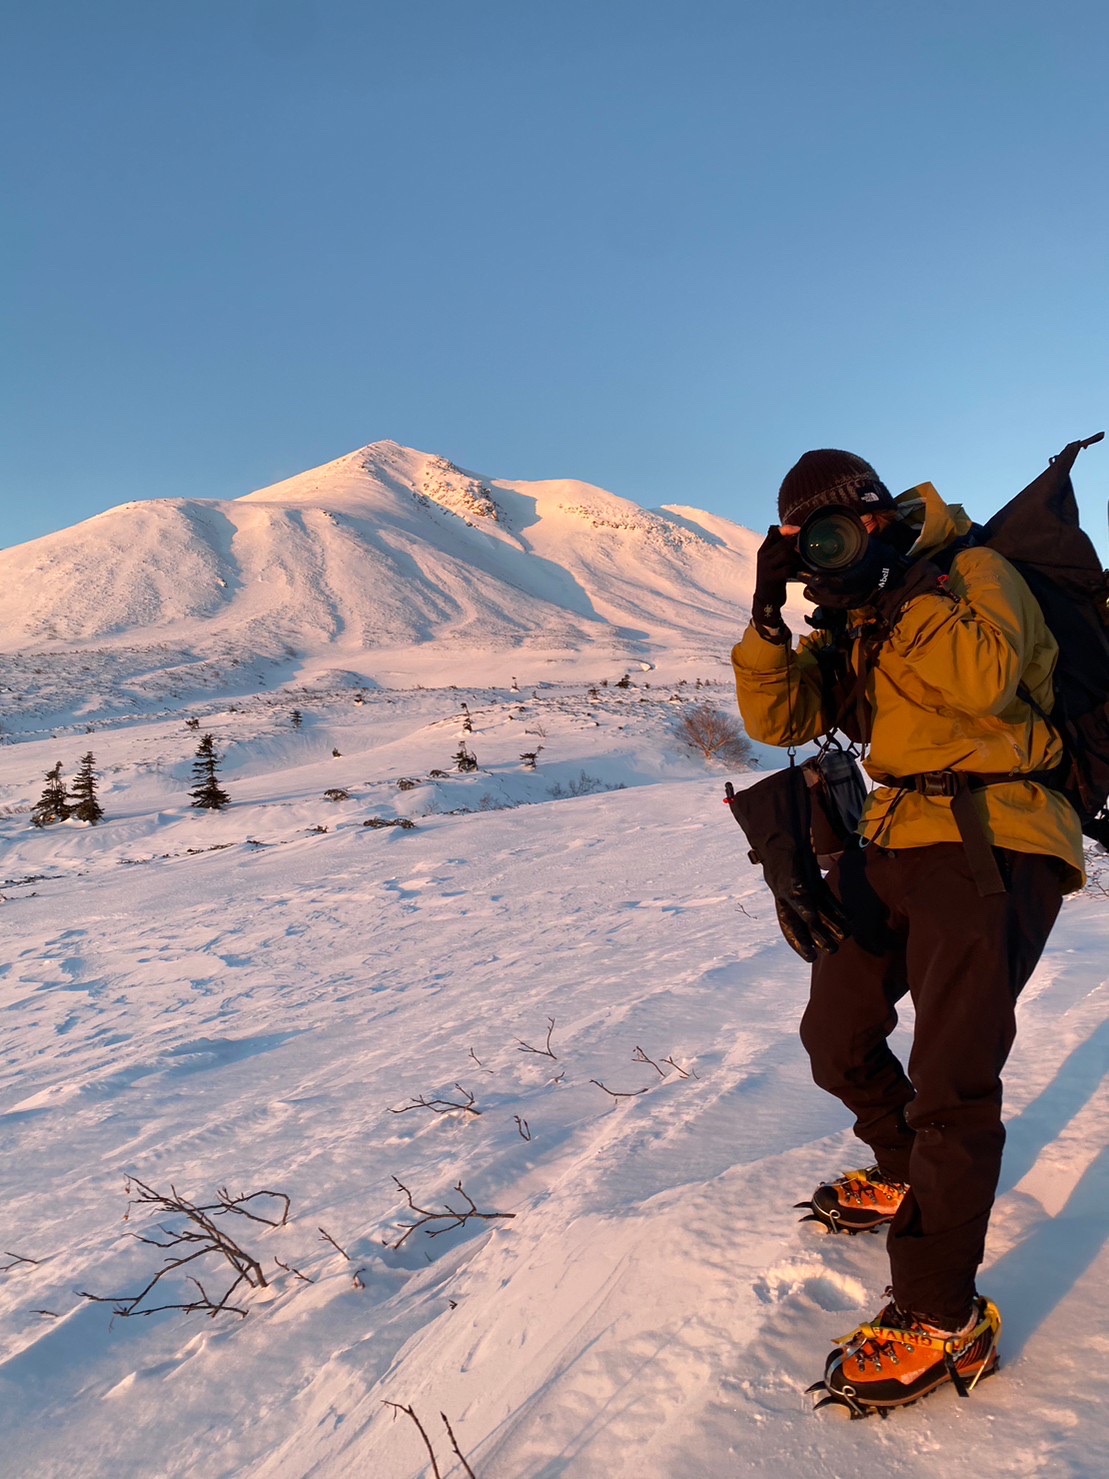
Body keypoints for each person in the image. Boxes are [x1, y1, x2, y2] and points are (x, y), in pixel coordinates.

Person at [731, 448, 1085, 1414]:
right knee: (834, 1033)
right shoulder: (849, 612)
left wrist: (895, 587)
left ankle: (940, 1312)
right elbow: (778, 716)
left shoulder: (969, 571)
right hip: (891, 833)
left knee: (952, 1078)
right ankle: (904, 1173)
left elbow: (979, 678)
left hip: (994, 834)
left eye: (837, 531)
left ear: (877, 514)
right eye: (809, 545)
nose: (829, 552)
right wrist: (771, 619)